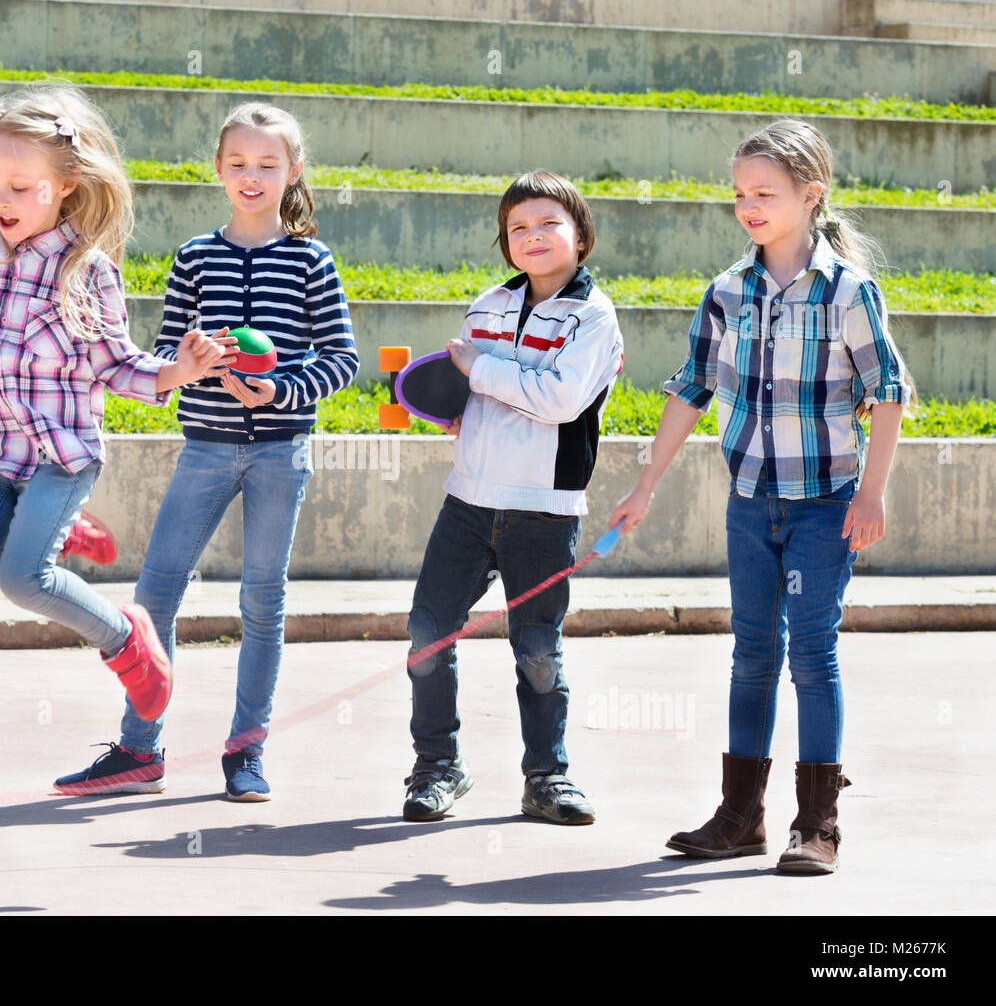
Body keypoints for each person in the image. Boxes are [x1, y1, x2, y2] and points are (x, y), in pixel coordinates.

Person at [0, 82, 231, 732]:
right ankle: (56, 531)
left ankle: (127, 641)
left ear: (63, 184)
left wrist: (182, 368)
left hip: (62, 458)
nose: (0, 200)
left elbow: (116, 366)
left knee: (24, 581)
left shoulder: (87, 271)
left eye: (19, 186)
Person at [608, 119, 914, 874]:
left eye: (765, 193)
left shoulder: (848, 292)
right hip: (749, 501)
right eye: (740, 193)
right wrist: (646, 484)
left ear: (812, 196)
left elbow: (890, 394)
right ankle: (740, 815)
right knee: (751, 653)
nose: (748, 205)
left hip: (824, 503)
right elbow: (692, 388)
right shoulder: (726, 291)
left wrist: (870, 494)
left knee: (811, 651)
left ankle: (818, 823)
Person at [54, 102, 358, 801]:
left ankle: (246, 751)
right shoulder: (196, 256)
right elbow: (161, 352)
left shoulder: (311, 258)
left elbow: (342, 359)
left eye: (268, 165)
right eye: (239, 164)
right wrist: (187, 360)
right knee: (155, 593)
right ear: (219, 169)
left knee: (263, 602)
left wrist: (278, 389)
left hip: (282, 452)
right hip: (205, 449)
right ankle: (139, 747)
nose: (252, 177)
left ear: (294, 171)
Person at [401, 170, 624, 825]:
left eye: (549, 223)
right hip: (467, 502)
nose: (533, 236)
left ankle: (547, 777)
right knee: (426, 631)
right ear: (505, 242)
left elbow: (559, 399)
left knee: (537, 650)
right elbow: (477, 397)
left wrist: (479, 369)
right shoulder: (487, 304)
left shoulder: (594, 316)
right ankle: (437, 765)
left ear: (580, 236)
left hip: (543, 511)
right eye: (518, 227)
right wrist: (461, 405)